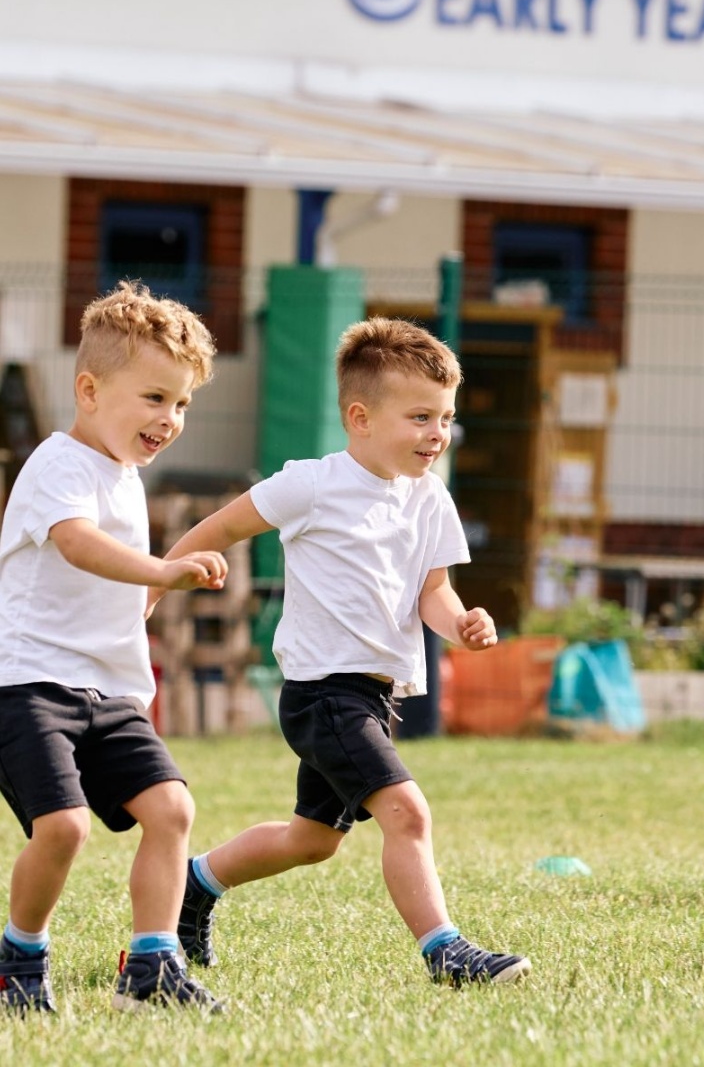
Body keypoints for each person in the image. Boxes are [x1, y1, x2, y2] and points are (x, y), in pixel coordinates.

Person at [162, 316, 531, 985]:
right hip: (322, 693)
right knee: (407, 811)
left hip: (375, 695)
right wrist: (158, 582)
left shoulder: (430, 498)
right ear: (360, 417)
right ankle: (445, 952)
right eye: (420, 416)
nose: (437, 434)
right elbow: (222, 525)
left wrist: (463, 624)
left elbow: (434, 595)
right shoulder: (312, 484)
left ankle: (196, 885)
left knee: (313, 842)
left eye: (445, 417)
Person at [0, 282, 228, 1012]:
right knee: (62, 828)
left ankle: (152, 970)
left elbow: (118, 577)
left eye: (182, 404)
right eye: (155, 397)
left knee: (171, 810)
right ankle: (19, 958)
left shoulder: (123, 476)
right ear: (90, 390)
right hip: (30, 683)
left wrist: (155, 590)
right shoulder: (58, 463)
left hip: (109, 690)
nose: (170, 418)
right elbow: (76, 544)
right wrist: (161, 569)